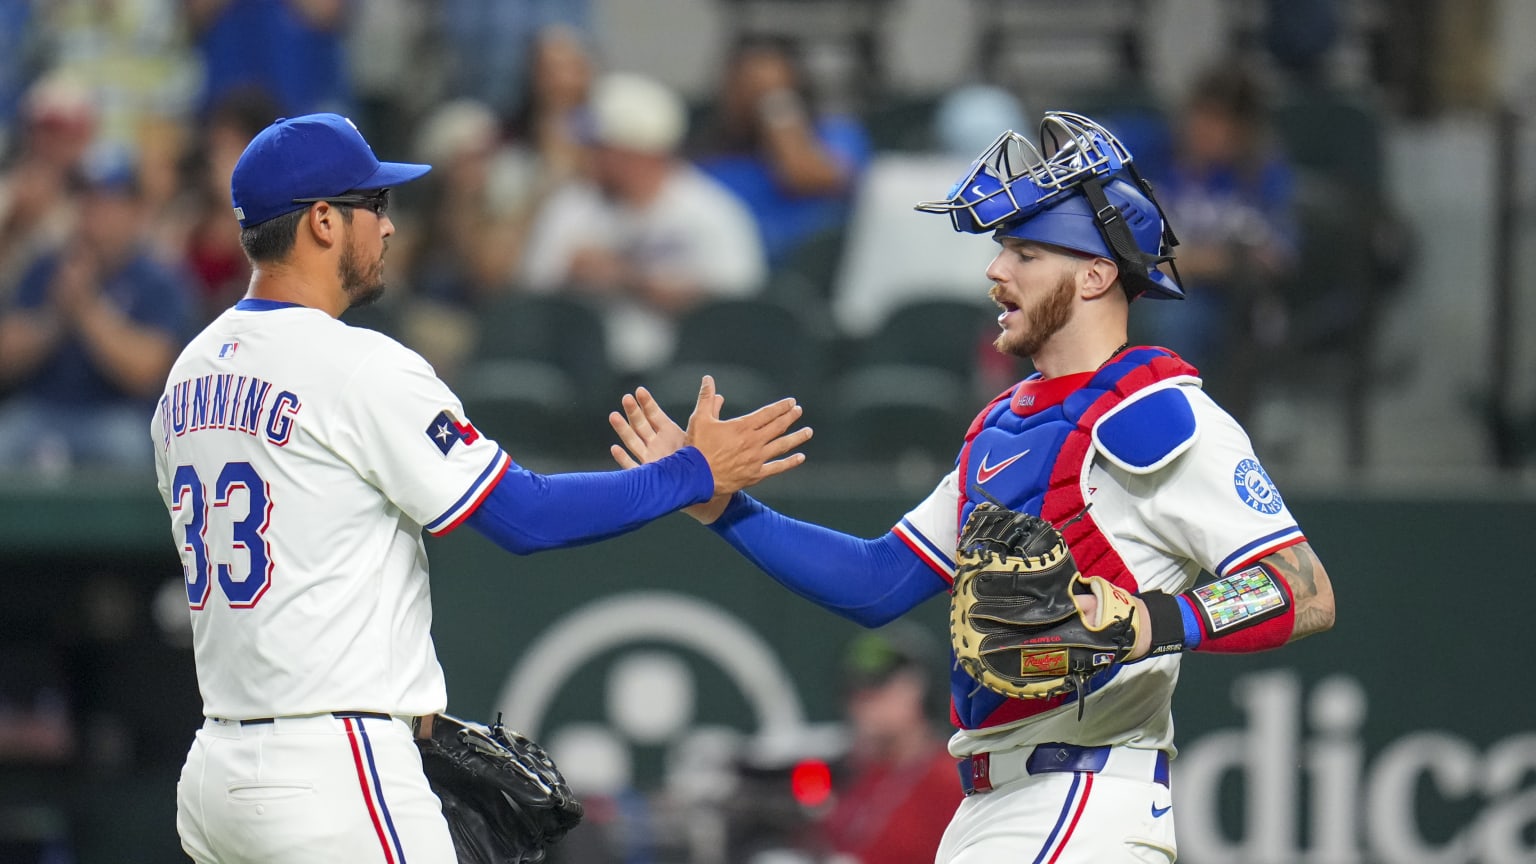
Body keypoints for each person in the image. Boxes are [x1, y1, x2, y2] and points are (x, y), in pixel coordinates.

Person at [609, 111, 1336, 863]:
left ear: (1095, 274)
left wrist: (1151, 620)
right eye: (1002, 250)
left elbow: (1300, 588)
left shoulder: (1160, 413)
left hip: (1082, 789)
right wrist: (720, 505)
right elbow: (877, 581)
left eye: (1025, 251)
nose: (997, 272)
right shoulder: (1005, 425)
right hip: (995, 799)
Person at [151, 112, 811, 864]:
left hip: (215, 771)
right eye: (376, 206)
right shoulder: (357, 366)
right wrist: (693, 472)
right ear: (325, 222)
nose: (390, 229)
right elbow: (524, 516)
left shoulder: (190, 374)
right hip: (330, 766)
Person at [519, 72, 766, 374]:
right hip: (583, 377)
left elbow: (741, 307)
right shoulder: (572, 205)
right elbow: (529, 294)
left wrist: (632, 280)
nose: (589, 156)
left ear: (634, 153)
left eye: (600, 147)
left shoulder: (712, 210)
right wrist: (571, 276)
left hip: (685, 376)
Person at [0, 161, 193, 475]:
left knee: (129, 448)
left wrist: (86, 308)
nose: (95, 214)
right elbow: (6, 357)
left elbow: (147, 371)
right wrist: (56, 316)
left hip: (116, 415)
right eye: (88, 201)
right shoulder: (47, 267)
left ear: (136, 211)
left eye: (109, 203)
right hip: (41, 410)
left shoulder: (157, 279)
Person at [691, 35, 872, 268]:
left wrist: (776, 107)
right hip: (745, 277)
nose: (752, 97)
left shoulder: (837, 134)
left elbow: (810, 178)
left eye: (768, 89)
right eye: (743, 87)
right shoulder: (709, 162)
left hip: (824, 273)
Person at [815, 626, 964, 864]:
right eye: (857, 691)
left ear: (918, 692)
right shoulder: (847, 775)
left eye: (879, 690)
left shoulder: (953, 781)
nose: (865, 704)